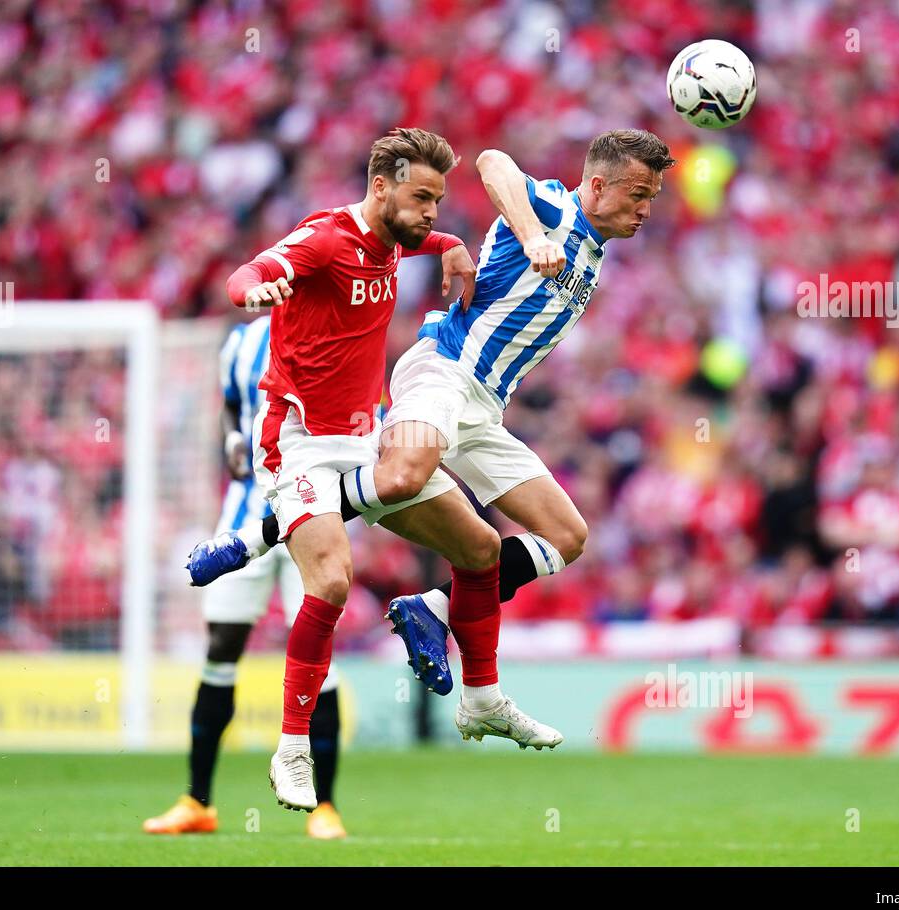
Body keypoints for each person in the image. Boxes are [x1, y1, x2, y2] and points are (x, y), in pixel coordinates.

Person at [191, 130, 674, 740]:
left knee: (567, 535)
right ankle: (256, 538)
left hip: (486, 408)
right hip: (443, 372)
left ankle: (441, 620)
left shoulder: (595, 256)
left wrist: (451, 245)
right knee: (401, 477)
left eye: (652, 197)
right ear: (598, 185)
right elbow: (495, 161)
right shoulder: (554, 208)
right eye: (637, 193)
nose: (646, 209)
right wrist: (531, 236)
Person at [215, 127, 561, 813]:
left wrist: (451, 245)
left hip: (366, 436)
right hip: (301, 440)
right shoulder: (323, 238)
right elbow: (246, 275)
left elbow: (414, 240)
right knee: (333, 581)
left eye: (438, 200)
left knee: (481, 547)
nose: (432, 212)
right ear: (381, 187)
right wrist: (255, 292)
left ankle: (483, 700)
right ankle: (291, 750)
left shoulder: (394, 237)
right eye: (422, 198)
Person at [144, 315, 346, 838]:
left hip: (311, 513)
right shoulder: (244, 341)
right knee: (221, 646)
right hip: (244, 515)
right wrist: (234, 437)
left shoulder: (341, 330)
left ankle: (325, 807)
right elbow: (233, 405)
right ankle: (198, 801)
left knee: (318, 644)